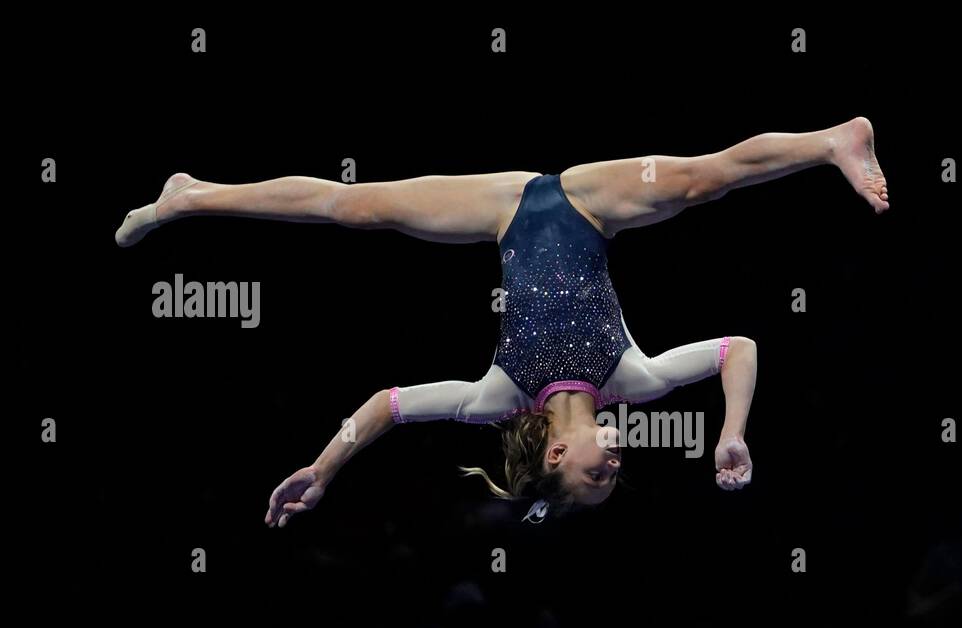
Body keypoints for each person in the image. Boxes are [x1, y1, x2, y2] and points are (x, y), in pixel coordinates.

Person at [116, 118, 888, 522]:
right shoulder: (636, 380)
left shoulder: (502, 396)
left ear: (555, 452)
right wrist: (730, 432)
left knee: (352, 206)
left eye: (595, 475)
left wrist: (323, 470)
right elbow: (740, 349)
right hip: (589, 205)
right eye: (612, 479)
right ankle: (828, 143)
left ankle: (192, 193)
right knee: (698, 185)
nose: (613, 466)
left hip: (506, 210)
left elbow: (383, 408)